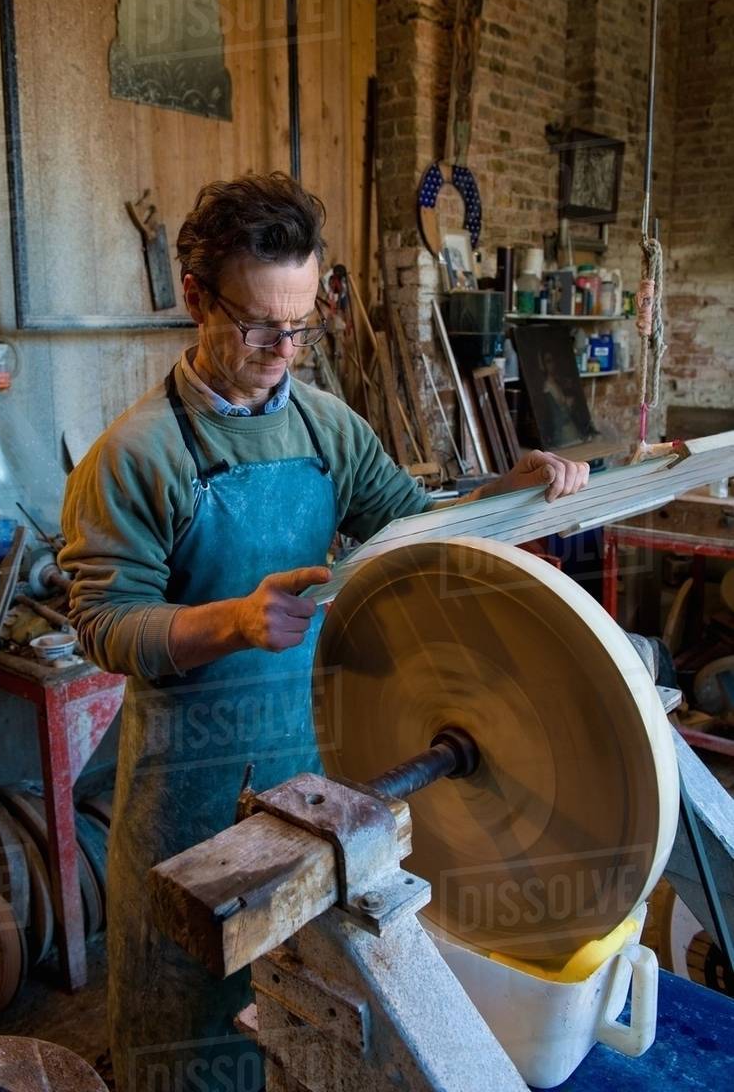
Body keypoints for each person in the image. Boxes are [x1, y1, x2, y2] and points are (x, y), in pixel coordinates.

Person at [60, 173, 589, 1092]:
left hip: (312, 774)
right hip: (187, 788)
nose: (283, 349)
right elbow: (102, 623)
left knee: (306, 1018)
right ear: (194, 297)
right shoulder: (134, 455)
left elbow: (404, 526)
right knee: (186, 1031)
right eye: (261, 324)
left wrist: (506, 491)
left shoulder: (328, 429)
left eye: (302, 324)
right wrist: (232, 619)